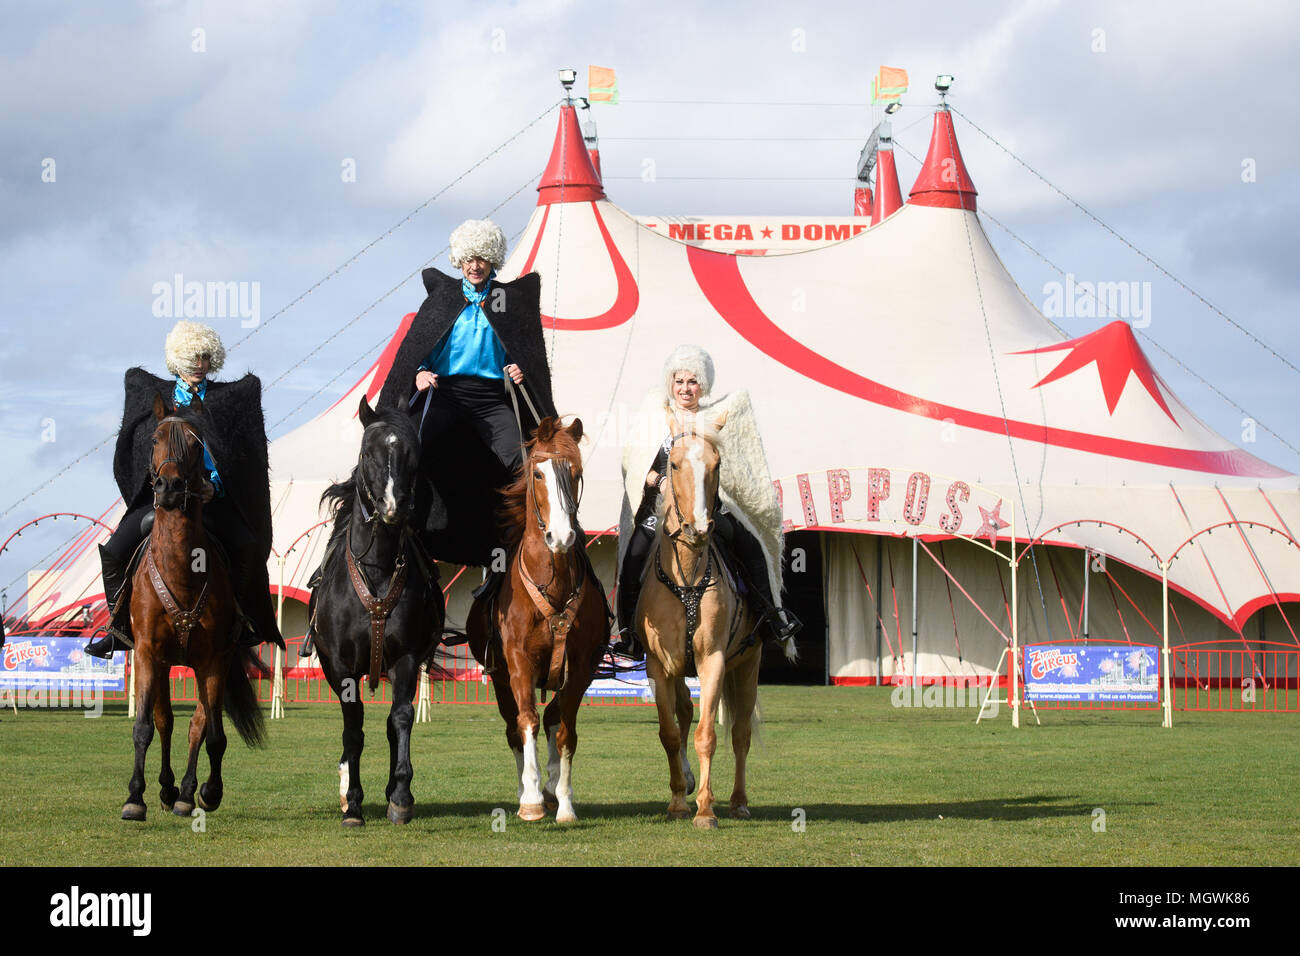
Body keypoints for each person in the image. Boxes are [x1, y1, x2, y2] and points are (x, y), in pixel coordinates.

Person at [85, 321, 283, 658]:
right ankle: (118, 627)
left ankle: (243, 620)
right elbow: (137, 453)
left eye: (204, 357)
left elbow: (240, 461)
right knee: (115, 551)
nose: (198, 364)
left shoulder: (225, 401)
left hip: (209, 503)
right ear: (177, 360)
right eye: (191, 358)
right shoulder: (154, 399)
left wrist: (214, 487)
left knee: (248, 546)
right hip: (162, 501)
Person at [376, 218, 557, 568]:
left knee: (523, 461)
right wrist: (419, 372)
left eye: (482, 258)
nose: (475, 266)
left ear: (493, 260)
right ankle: (400, 532)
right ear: (460, 260)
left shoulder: (506, 299)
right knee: (409, 448)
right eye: (469, 259)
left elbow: (523, 351)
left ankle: (529, 541)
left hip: (491, 399)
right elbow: (415, 349)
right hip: (446, 393)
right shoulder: (444, 297)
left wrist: (519, 366)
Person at [612, 344, 800, 661]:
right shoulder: (655, 418)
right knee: (632, 560)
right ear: (671, 383)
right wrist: (660, 482)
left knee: (752, 547)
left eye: (693, 381)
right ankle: (630, 636)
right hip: (660, 511)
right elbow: (636, 467)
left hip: (708, 509)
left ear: (703, 385)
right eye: (680, 381)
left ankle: (771, 619)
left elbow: (732, 472)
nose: (685, 388)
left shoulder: (715, 420)